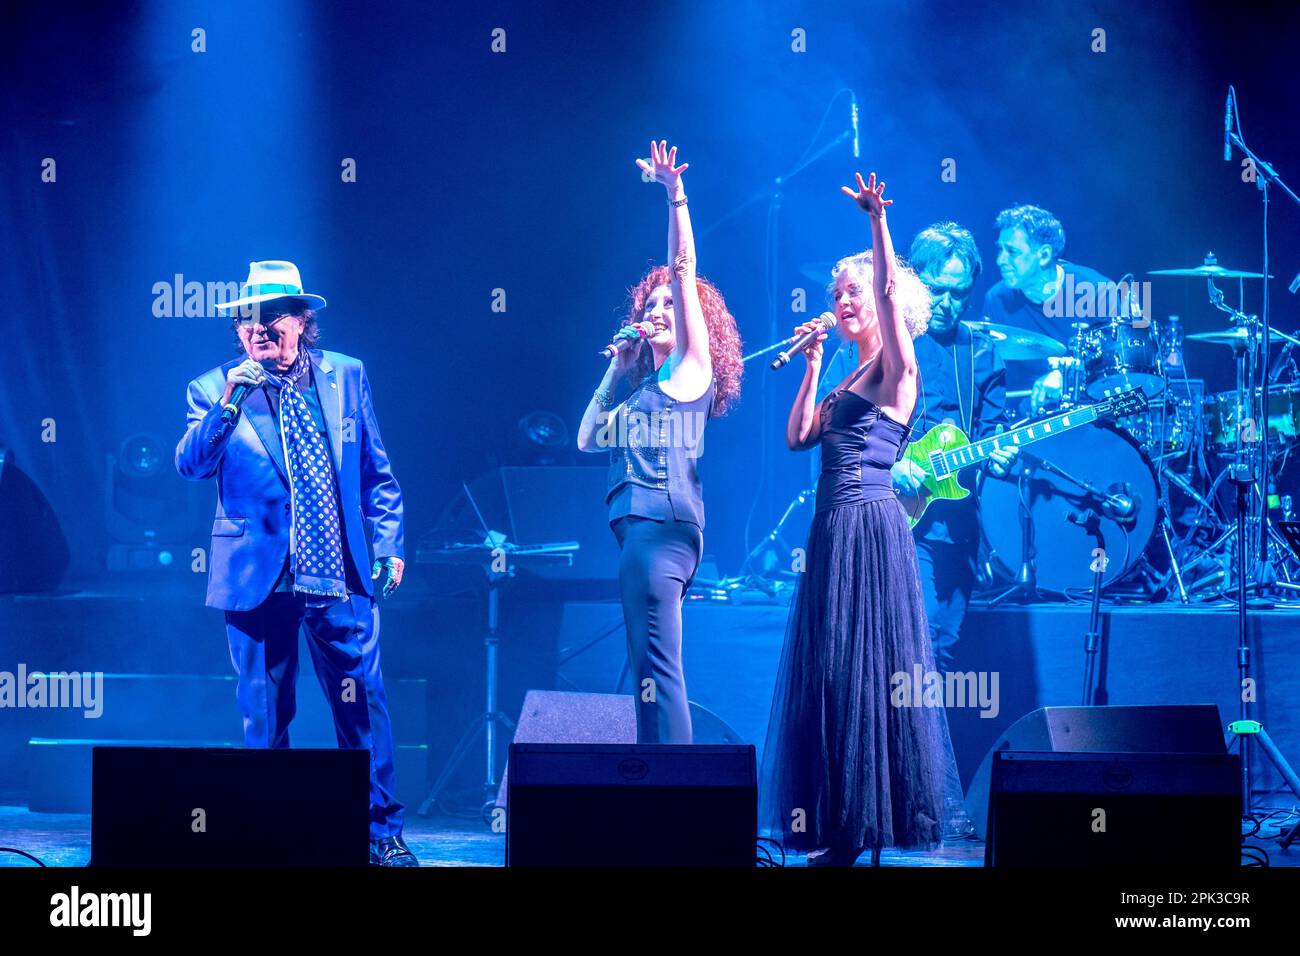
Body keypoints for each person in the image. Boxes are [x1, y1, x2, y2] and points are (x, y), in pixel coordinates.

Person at [175, 260, 416, 866]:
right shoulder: (212, 388)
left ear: (303, 321)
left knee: (361, 702)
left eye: (271, 315)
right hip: (259, 577)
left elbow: (376, 472)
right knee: (265, 713)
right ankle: (268, 834)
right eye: (245, 318)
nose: (257, 328)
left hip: (339, 573)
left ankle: (381, 835)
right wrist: (231, 398)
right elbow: (192, 463)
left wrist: (387, 543)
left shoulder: (346, 376)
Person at [760, 173, 960, 865]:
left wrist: (877, 224)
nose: (845, 301)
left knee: (863, 670)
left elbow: (886, 291)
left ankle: (862, 832)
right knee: (830, 670)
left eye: (856, 292)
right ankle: (839, 827)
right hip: (831, 526)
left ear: (886, 302)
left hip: (869, 523)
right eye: (835, 294)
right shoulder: (849, 373)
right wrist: (812, 366)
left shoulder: (896, 367)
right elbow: (798, 438)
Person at [576, 141, 742, 744]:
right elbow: (588, 438)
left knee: (660, 674)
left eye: (670, 303)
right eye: (652, 305)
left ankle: (676, 800)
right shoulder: (645, 387)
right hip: (640, 533)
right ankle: (661, 794)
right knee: (649, 670)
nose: (661, 308)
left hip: (659, 530)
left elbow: (684, 268)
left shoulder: (690, 373)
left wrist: (674, 194)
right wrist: (616, 368)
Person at [892, 222, 1016, 676]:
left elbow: (993, 431)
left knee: (947, 647)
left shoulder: (983, 353)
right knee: (916, 643)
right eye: (936, 290)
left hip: (959, 523)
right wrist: (890, 464)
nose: (947, 304)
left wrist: (1003, 458)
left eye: (959, 294)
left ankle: (935, 748)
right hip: (900, 519)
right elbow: (841, 424)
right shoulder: (887, 342)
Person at [982, 203, 1116, 415]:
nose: (1000, 260)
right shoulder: (997, 299)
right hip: (1030, 418)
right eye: (1000, 249)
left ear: (1044, 255)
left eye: (1012, 252)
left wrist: (1068, 376)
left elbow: (1121, 363)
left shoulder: (1097, 291)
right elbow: (991, 373)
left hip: (1095, 415)